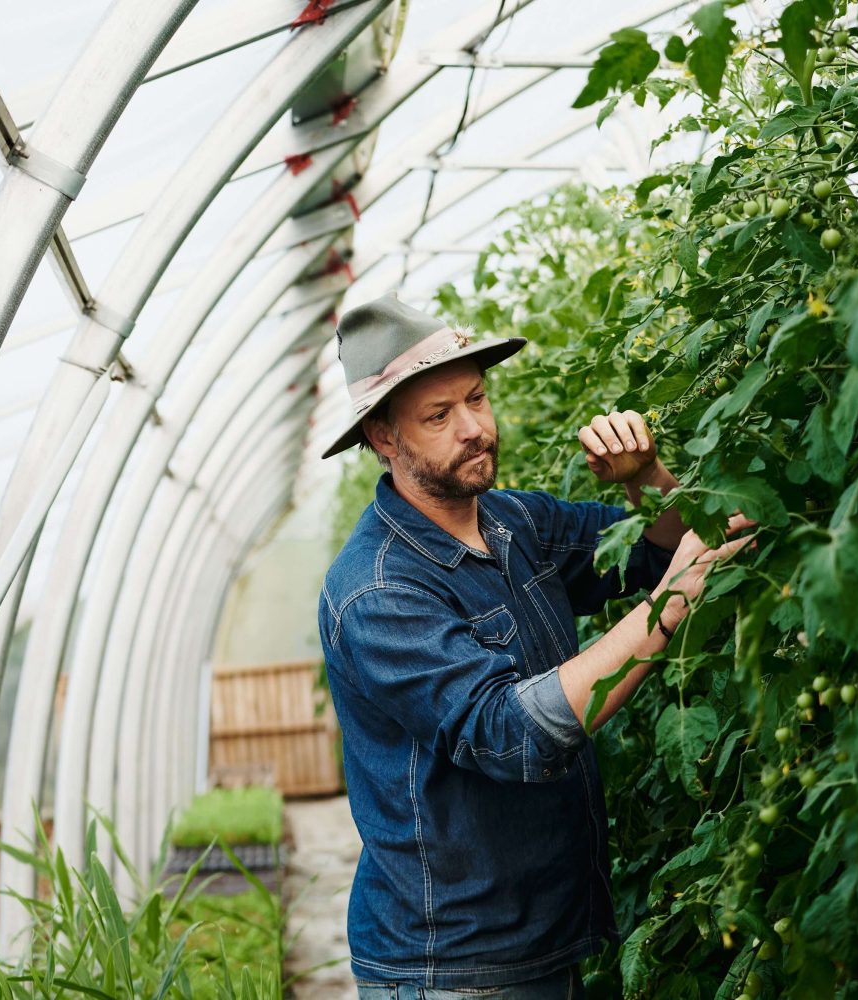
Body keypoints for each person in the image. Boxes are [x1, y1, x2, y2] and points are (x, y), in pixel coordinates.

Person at [317, 294, 755, 997]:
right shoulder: (375, 592)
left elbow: (659, 550)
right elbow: (512, 733)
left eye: (476, 399)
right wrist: (673, 600)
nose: (473, 429)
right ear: (384, 438)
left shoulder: (518, 522)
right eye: (438, 415)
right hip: (455, 969)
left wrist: (649, 483)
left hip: (547, 937)